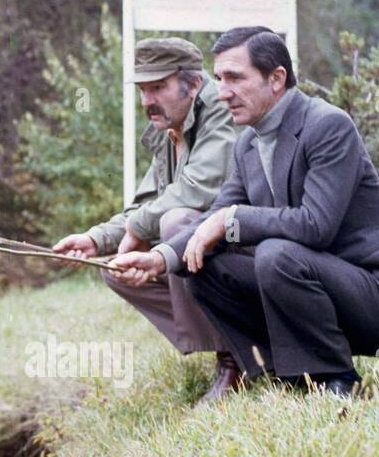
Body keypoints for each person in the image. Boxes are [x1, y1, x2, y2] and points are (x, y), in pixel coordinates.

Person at [110, 26, 379, 399]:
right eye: (219, 79)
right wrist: (160, 259)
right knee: (199, 261)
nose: (223, 92)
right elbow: (213, 214)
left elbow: (315, 226)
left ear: (276, 78)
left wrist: (232, 220)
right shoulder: (247, 143)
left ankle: (338, 378)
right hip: (316, 286)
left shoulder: (327, 125)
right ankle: (274, 369)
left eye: (235, 78)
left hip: (378, 300)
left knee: (277, 255)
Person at [52, 36, 241, 401]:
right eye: (142, 89)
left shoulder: (219, 108)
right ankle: (236, 343)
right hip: (215, 250)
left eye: (158, 87)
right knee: (118, 270)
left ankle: (235, 359)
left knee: (175, 223)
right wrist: (96, 239)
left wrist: (140, 228)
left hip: (254, 241)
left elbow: (199, 188)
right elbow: (147, 202)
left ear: (194, 84)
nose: (147, 101)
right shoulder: (170, 125)